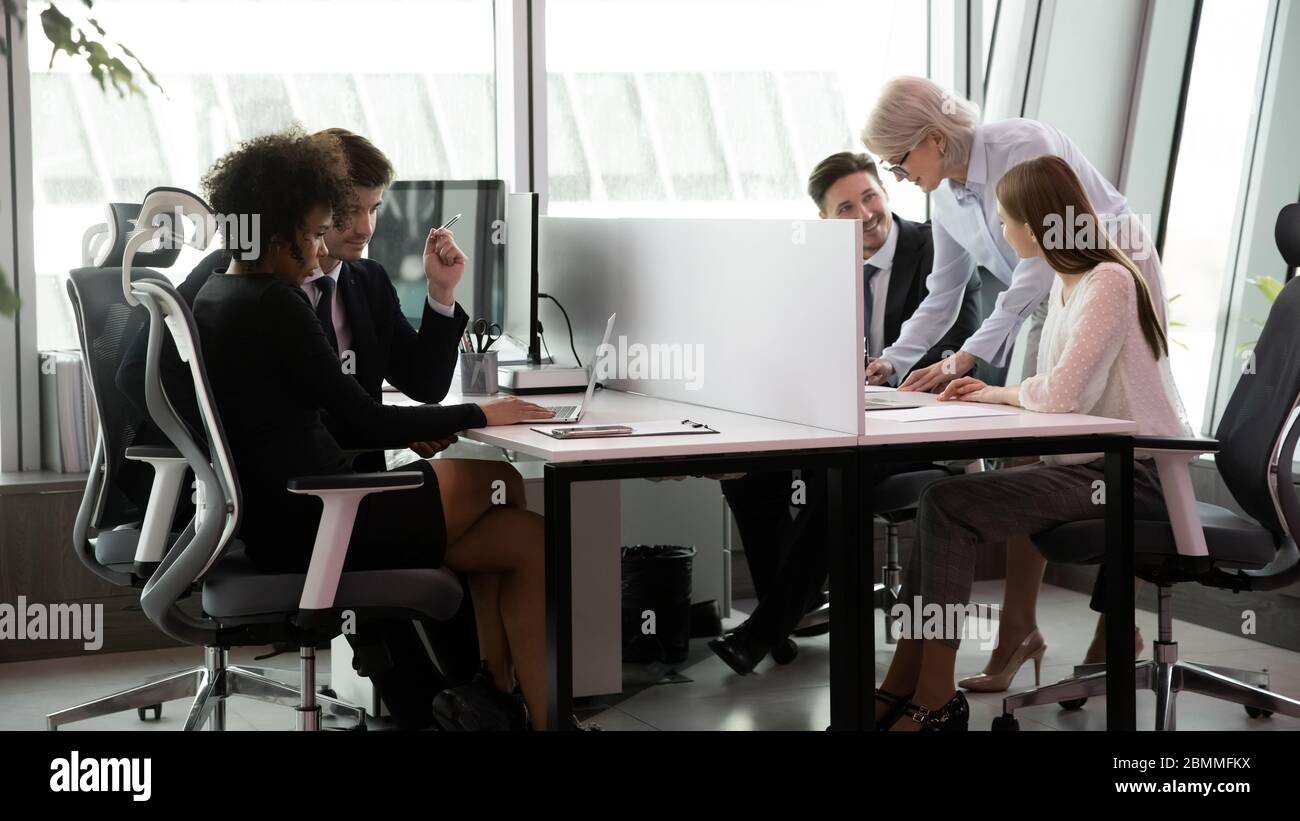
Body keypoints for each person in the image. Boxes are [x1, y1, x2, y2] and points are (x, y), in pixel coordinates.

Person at [175, 127, 559, 729]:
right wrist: (481, 413)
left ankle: (515, 705)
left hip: (290, 504)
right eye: (324, 221)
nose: (342, 233)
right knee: (499, 485)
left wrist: (441, 297)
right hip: (315, 508)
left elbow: (394, 395)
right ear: (286, 226)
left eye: (367, 210)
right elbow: (356, 416)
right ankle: (499, 694)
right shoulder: (275, 302)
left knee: (524, 539)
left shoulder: (228, 294)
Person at [873, 155, 1190, 730]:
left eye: (1005, 218)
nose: (998, 228)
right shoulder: (1070, 288)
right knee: (937, 503)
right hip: (1098, 467)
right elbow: (1053, 394)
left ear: (1040, 223)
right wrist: (998, 394)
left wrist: (994, 395)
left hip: (1137, 476)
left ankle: (935, 698)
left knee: (947, 504)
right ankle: (905, 681)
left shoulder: (1110, 281)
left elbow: (1061, 394)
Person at [709, 152, 981, 675]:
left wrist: (884, 375)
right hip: (843, 420)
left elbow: (953, 350)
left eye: (870, 196)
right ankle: (781, 616)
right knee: (747, 474)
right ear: (825, 221)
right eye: (846, 208)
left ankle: (764, 629)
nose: (865, 213)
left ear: (886, 192)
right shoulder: (817, 265)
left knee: (838, 476)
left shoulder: (936, 248)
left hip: (921, 425)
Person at [860, 76, 1169, 395]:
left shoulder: (1024, 145)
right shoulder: (943, 199)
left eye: (898, 162)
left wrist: (966, 356)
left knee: (1129, 391)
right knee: (1043, 405)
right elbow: (944, 293)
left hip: (1113, 270)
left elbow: (1044, 259)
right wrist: (892, 360)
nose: (898, 178)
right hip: (1049, 294)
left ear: (936, 138)